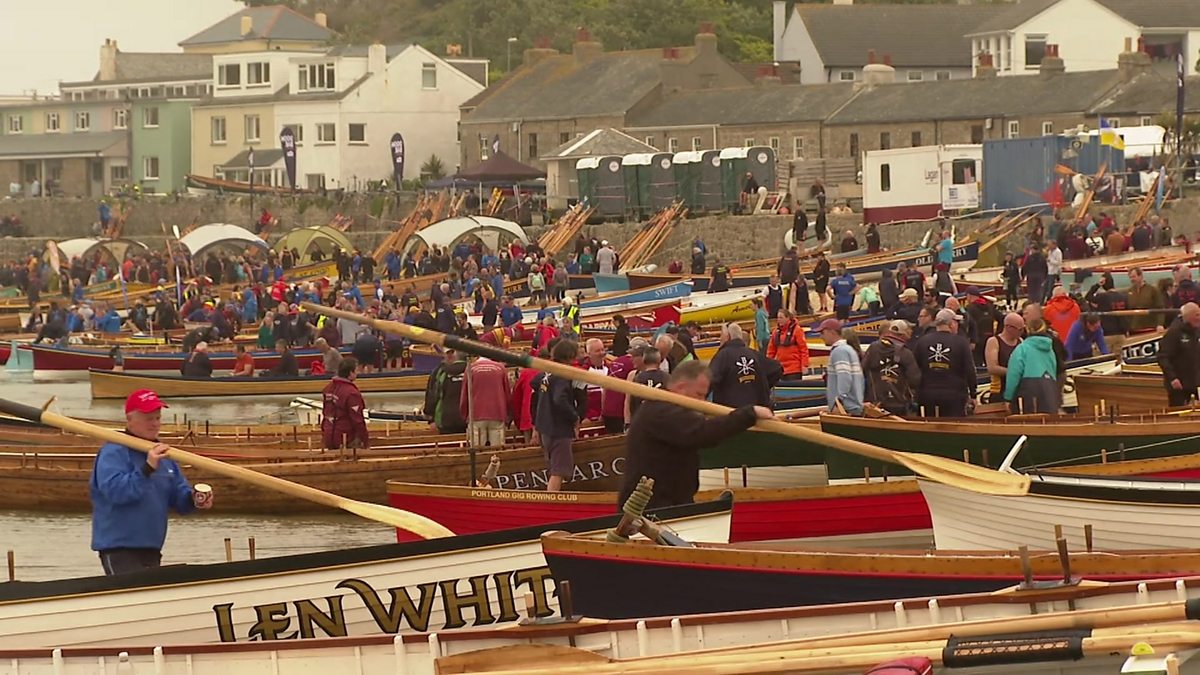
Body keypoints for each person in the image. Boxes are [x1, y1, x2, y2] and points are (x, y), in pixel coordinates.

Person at [618, 360, 771, 510]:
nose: (703, 402)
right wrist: (749, 414)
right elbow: (702, 432)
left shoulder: (666, 409)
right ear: (681, 387)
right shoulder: (660, 411)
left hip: (673, 503)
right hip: (650, 507)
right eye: (699, 394)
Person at [90, 389, 212, 575]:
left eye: (157, 418)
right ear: (130, 419)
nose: (155, 424)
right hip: (119, 548)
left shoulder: (164, 456)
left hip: (152, 548)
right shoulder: (113, 452)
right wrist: (147, 468)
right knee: (131, 598)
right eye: (149, 418)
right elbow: (118, 493)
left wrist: (195, 499)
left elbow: (180, 497)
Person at [534, 340, 583, 492]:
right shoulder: (561, 374)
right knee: (558, 472)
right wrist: (574, 417)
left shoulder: (546, 373)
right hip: (558, 429)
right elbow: (559, 399)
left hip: (544, 427)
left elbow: (534, 384)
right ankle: (551, 505)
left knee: (553, 467)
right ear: (570, 356)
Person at [911, 309, 975, 417]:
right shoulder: (961, 343)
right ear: (951, 324)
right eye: (956, 322)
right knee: (954, 428)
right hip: (954, 395)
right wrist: (973, 394)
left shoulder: (922, 341)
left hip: (927, 394)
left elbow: (914, 369)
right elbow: (970, 370)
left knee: (930, 427)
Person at [709, 323, 778, 408]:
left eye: (721, 335)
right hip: (756, 409)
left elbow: (709, 380)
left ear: (727, 337)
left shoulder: (722, 356)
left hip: (731, 411)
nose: (720, 339)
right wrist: (761, 387)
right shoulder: (754, 354)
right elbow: (776, 368)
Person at [863, 320, 921, 416]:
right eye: (909, 330)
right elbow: (915, 380)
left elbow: (863, 370)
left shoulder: (873, 348)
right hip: (898, 404)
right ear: (903, 334)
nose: (911, 332)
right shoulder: (906, 353)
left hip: (875, 402)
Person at [1004, 318, 1061, 414]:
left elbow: (1013, 374)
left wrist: (1008, 398)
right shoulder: (1050, 350)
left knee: (1029, 424)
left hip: (1028, 391)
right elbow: (1054, 371)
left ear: (1028, 330)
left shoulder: (1022, 348)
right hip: (1050, 390)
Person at [460, 355, 511, 447]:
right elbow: (507, 393)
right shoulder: (501, 368)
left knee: (478, 451)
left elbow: (464, 395)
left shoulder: (471, 369)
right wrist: (508, 415)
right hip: (497, 414)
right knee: (497, 450)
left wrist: (465, 415)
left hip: (476, 415)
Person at [320, 357, 369, 450]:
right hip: (345, 438)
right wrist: (366, 442)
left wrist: (324, 433)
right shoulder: (351, 393)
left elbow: (325, 413)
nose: (358, 373)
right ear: (350, 373)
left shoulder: (328, 388)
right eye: (356, 370)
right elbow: (358, 420)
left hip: (329, 436)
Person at [1158, 302, 1200, 407]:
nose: (1199, 317)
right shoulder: (1174, 332)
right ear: (1188, 316)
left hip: (1196, 383)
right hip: (1179, 386)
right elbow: (1163, 357)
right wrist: (1173, 378)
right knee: (1178, 414)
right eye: (1197, 315)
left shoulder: (1197, 331)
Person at [818, 319, 864, 415]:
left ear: (832, 332)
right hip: (854, 406)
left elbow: (845, 377)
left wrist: (838, 403)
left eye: (822, 332)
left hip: (845, 408)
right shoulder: (849, 349)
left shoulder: (839, 351)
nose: (821, 336)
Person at [424, 348, 468, 433]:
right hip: (467, 420)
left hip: (445, 420)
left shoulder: (440, 372)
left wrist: (430, 417)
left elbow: (433, 395)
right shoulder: (471, 370)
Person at [985, 313, 1024, 403]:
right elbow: (992, 368)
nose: (1022, 332)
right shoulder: (994, 342)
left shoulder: (1021, 341)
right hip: (999, 392)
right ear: (1008, 327)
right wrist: (1014, 373)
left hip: (1017, 391)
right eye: (1020, 329)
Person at [767, 309, 809, 378]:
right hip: (780, 368)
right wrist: (768, 366)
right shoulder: (776, 332)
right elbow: (771, 351)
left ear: (787, 318)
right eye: (778, 318)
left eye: (781, 317)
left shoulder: (797, 330)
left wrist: (804, 365)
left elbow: (803, 349)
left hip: (794, 368)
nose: (779, 320)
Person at [1126, 267, 1164, 333]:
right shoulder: (1129, 291)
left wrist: (1160, 324)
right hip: (1134, 329)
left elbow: (1160, 308)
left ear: (1141, 276)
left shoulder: (1152, 290)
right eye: (1130, 277)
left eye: (1133, 277)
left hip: (1151, 328)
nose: (1132, 279)